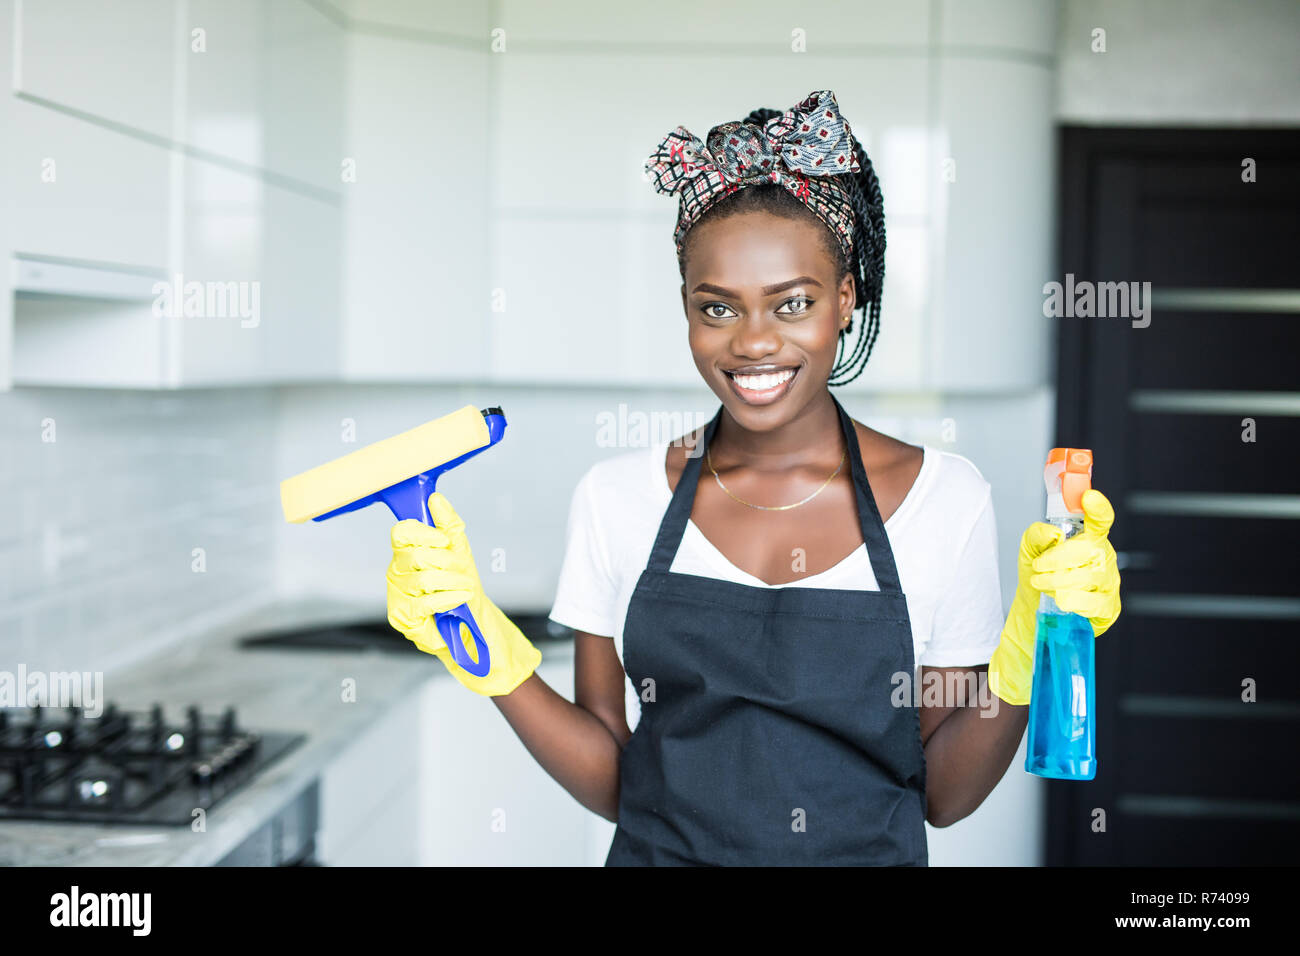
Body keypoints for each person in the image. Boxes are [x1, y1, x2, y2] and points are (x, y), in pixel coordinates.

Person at [386, 90, 1122, 866]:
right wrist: (486, 653)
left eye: (792, 303)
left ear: (845, 299)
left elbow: (946, 795)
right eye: (718, 309)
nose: (754, 343)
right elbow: (615, 777)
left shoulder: (944, 501)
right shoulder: (617, 497)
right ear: (687, 310)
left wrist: (1026, 656)